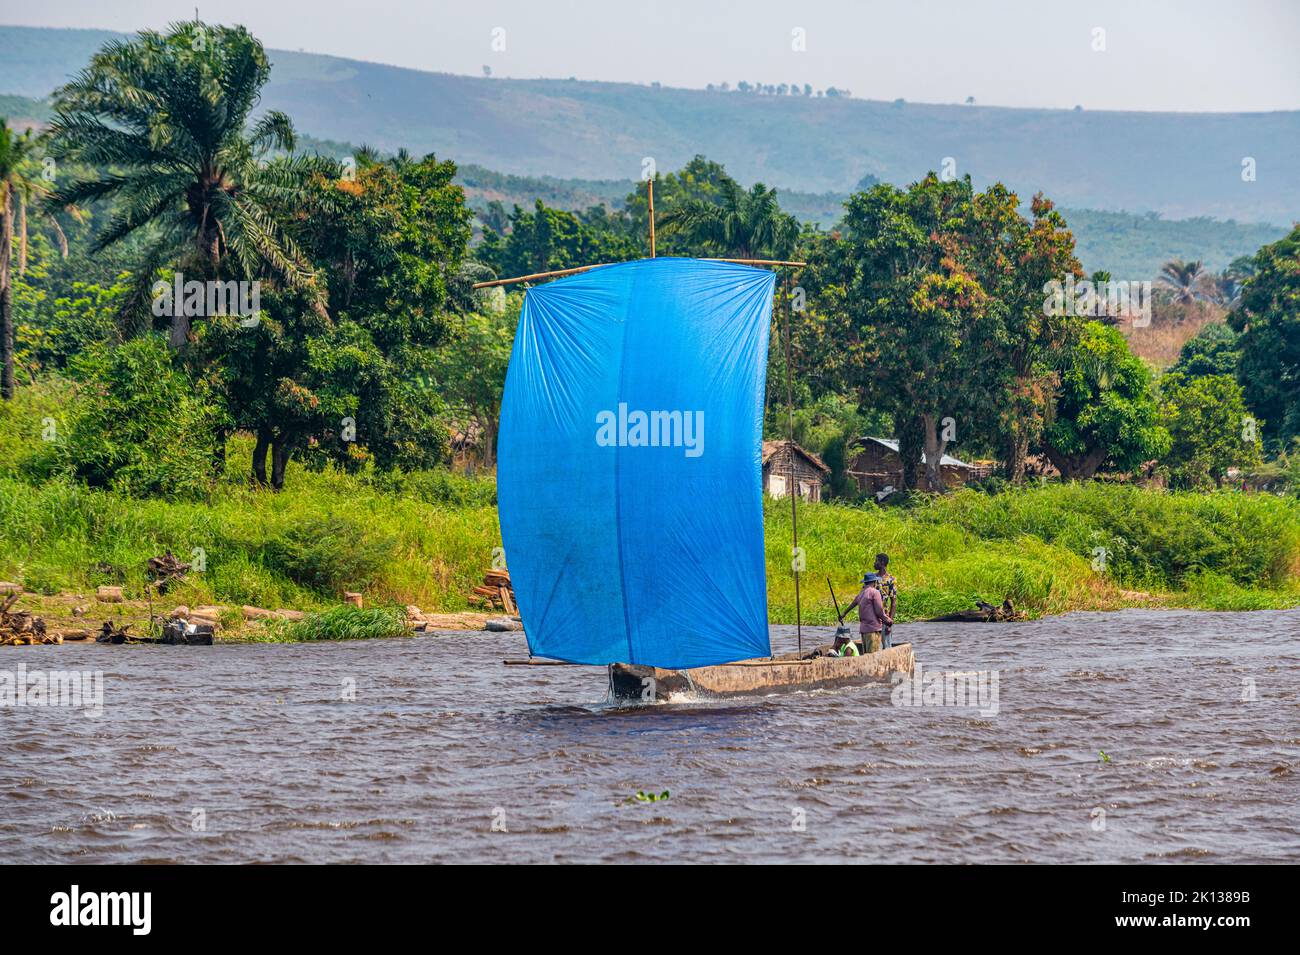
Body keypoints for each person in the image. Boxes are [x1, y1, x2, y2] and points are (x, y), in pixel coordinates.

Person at [845, 572, 891, 654]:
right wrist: (887, 621)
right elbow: (879, 611)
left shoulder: (862, 593)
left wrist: (843, 614)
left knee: (867, 654)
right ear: (874, 582)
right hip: (873, 630)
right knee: (873, 656)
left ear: (865, 582)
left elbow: (853, 603)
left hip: (864, 630)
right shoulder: (874, 592)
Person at [874, 553, 898, 649]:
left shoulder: (891, 580)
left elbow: (893, 602)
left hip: (885, 618)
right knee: (874, 647)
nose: (874, 563)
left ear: (882, 563)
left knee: (887, 646)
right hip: (873, 617)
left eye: (876, 561)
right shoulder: (872, 578)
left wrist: (890, 623)